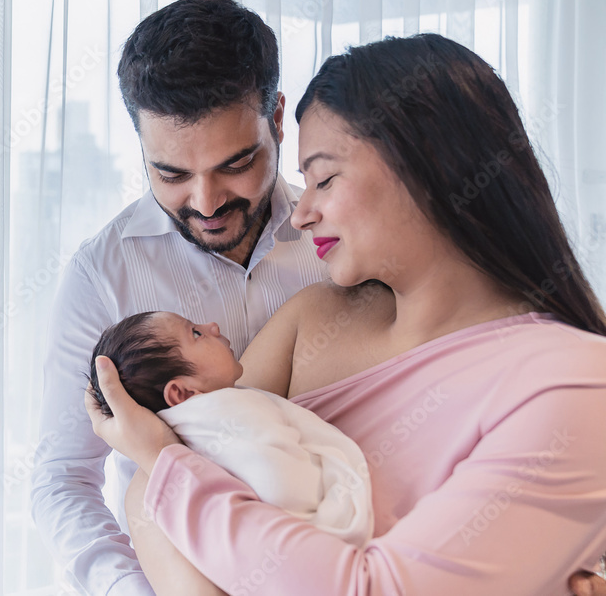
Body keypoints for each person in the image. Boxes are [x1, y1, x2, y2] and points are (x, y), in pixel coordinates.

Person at [87, 33, 606, 595]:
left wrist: (167, 468)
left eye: (325, 178)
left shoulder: (573, 384)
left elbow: (371, 589)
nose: (302, 212)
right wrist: (163, 466)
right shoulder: (310, 319)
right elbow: (151, 490)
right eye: (305, 183)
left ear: (428, 165)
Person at [29, 0, 326, 596]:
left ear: (276, 117)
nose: (207, 201)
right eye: (170, 174)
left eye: (235, 164)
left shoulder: (341, 240)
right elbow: (64, 477)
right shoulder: (101, 272)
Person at [86, 310, 374, 551]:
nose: (213, 326)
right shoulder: (226, 415)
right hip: (312, 542)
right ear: (183, 392)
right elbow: (285, 486)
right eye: (196, 333)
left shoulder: (206, 419)